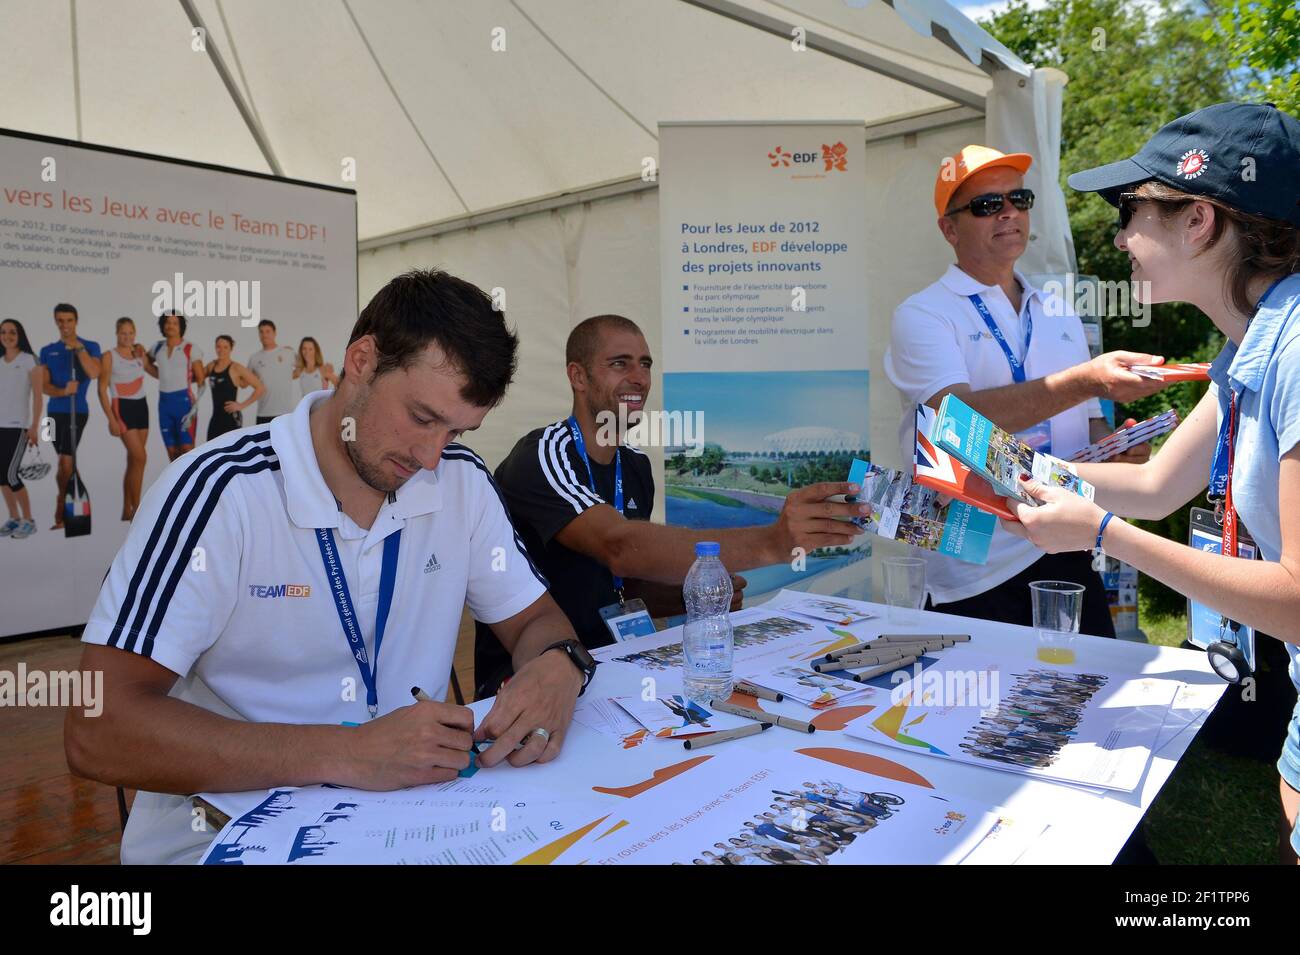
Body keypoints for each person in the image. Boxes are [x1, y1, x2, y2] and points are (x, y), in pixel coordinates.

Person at [65, 268, 590, 865]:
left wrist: (559, 665)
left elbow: (535, 622)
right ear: (362, 361)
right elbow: (97, 727)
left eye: (457, 431)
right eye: (422, 417)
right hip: (222, 836)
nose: (431, 457)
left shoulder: (461, 482)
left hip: (406, 823)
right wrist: (351, 752)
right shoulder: (220, 491)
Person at [1004, 102, 1300, 864]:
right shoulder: (1250, 345)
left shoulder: (1296, 349)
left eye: (1129, 209)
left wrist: (1102, 534)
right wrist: (1012, 475)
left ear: (1199, 220)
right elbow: (1161, 485)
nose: (1118, 238)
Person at [473, 314, 867, 697]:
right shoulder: (543, 454)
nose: (639, 378)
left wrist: (688, 595)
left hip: (615, 665)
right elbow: (618, 547)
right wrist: (773, 542)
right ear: (578, 376)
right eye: (619, 363)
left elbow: (618, 583)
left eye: (645, 364)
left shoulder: (635, 465)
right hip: (532, 678)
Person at [884, 145, 1176, 635]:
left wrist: (1116, 449)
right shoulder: (923, 313)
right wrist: (1086, 379)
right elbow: (955, 419)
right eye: (987, 205)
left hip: (1068, 533)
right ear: (949, 230)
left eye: (1018, 199)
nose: (1008, 212)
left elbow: (1089, 421)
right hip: (978, 564)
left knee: (1091, 681)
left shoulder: (1057, 309)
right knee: (985, 687)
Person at [38, 303, 101, 531]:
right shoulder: (47, 350)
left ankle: (62, 512)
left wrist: (79, 349)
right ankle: (71, 506)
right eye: (60, 320)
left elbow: (94, 372)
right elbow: (43, 385)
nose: (65, 325)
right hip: (53, 414)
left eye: (69, 320)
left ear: (76, 321)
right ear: (56, 322)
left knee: (66, 462)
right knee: (65, 463)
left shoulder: (90, 346)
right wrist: (63, 391)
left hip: (78, 412)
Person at [97, 317, 149, 521]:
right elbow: (101, 389)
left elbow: (151, 369)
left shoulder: (138, 353)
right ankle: (138, 509)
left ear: (135, 334)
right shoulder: (109, 356)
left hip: (142, 407)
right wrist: (111, 419)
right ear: (117, 334)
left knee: (135, 460)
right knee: (141, 457)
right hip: (123, 408)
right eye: (123, 333)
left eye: (130, 333)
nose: (127, 337)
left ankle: (127, 509)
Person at [143, 310, 206, 461]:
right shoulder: (157, 347)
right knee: (172, 452)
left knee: (187, 450)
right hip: (164, 404)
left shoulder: (190, 348)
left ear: (180, 326)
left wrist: (194, 409)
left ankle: (192, 477)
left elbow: (201, 381)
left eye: (175, 323)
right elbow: (146, 364)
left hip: (184, 404)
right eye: (168, 322)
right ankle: (177, 478)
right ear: (163, 325)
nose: (171, 326)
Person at [0, 319, 41, 540]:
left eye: (12, 332)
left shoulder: (29, 360)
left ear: (20, 335)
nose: (7, 336)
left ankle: (29, 520)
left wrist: (34, 426)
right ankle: (14, 518)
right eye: (3, 332)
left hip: (18, 426)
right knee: (1, 476)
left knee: (10, 474)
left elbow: (38, 396)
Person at [205, 334, 264, 442]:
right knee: (211, 450)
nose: (221, 350)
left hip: (231, 419)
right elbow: (196, 377)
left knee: (231, 451)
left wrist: (241, 405)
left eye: (225, 347)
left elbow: (260, 387)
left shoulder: (236, 368)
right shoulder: (211, 366)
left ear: (231, 349)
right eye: (218, 346)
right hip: (215, 418)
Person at [246, 319, 299, 424]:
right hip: (263, 413)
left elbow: (301, 370)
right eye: (261, 332)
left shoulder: (288, 352)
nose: (264, 335)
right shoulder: (254, 358)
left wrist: (287, 376)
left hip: (285, 412)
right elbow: (245, 382)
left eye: (268, 331)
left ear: (274, 333)